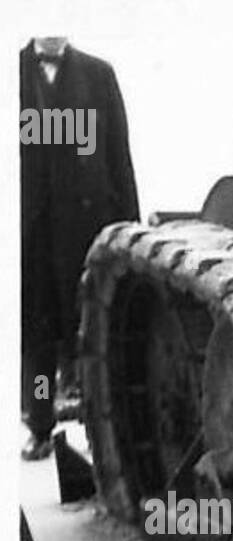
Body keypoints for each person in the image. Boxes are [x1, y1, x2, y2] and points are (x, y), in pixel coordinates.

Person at [19, 36, 138, 460]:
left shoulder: (97, 74)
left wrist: (129, 229)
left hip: (86, 226)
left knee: (90, 330)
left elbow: (118, 156)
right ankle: (39, 423)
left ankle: (98, 430)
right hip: (31, 235)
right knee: (36, 336)